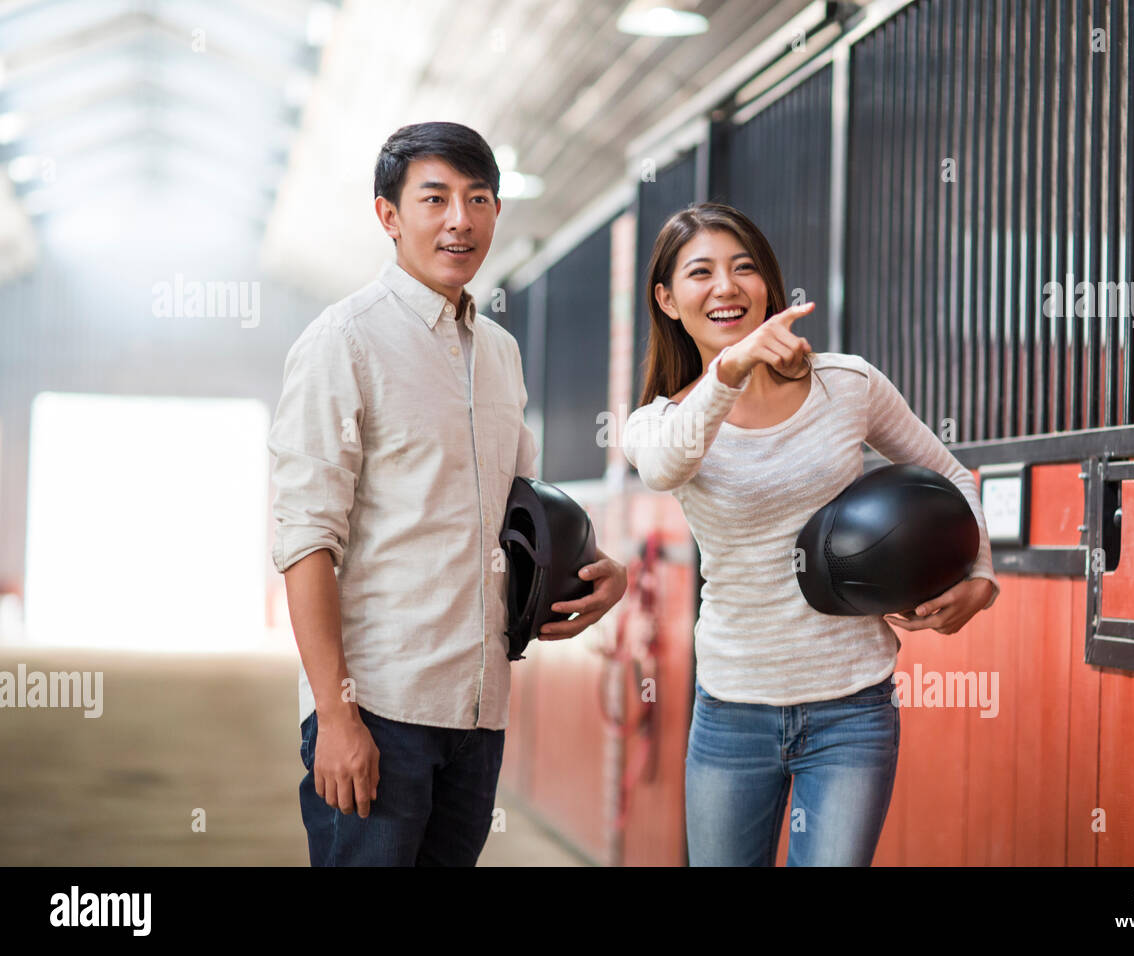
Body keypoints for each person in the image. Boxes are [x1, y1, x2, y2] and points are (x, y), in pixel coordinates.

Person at [268, 121, 627, 866]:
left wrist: (600, 568)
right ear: (389, 216)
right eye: (435, 199)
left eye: (479, 198)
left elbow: (521, 504)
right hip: (380, 707)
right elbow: (305, 539)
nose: (460, 219)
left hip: (477, 710)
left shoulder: (499, 352)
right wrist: (335, 718)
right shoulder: (345, 342)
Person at [622, 202, 999, 866]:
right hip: (732, 710)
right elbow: (665, 466)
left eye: (743, 268)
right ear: (668, 299)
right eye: (700, 273)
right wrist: (729, 374)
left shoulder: (846, 384)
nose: (726, 287)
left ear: (767, 284)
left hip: (851, 707)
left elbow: (951, 475)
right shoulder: (658, 423)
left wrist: (983, 577)